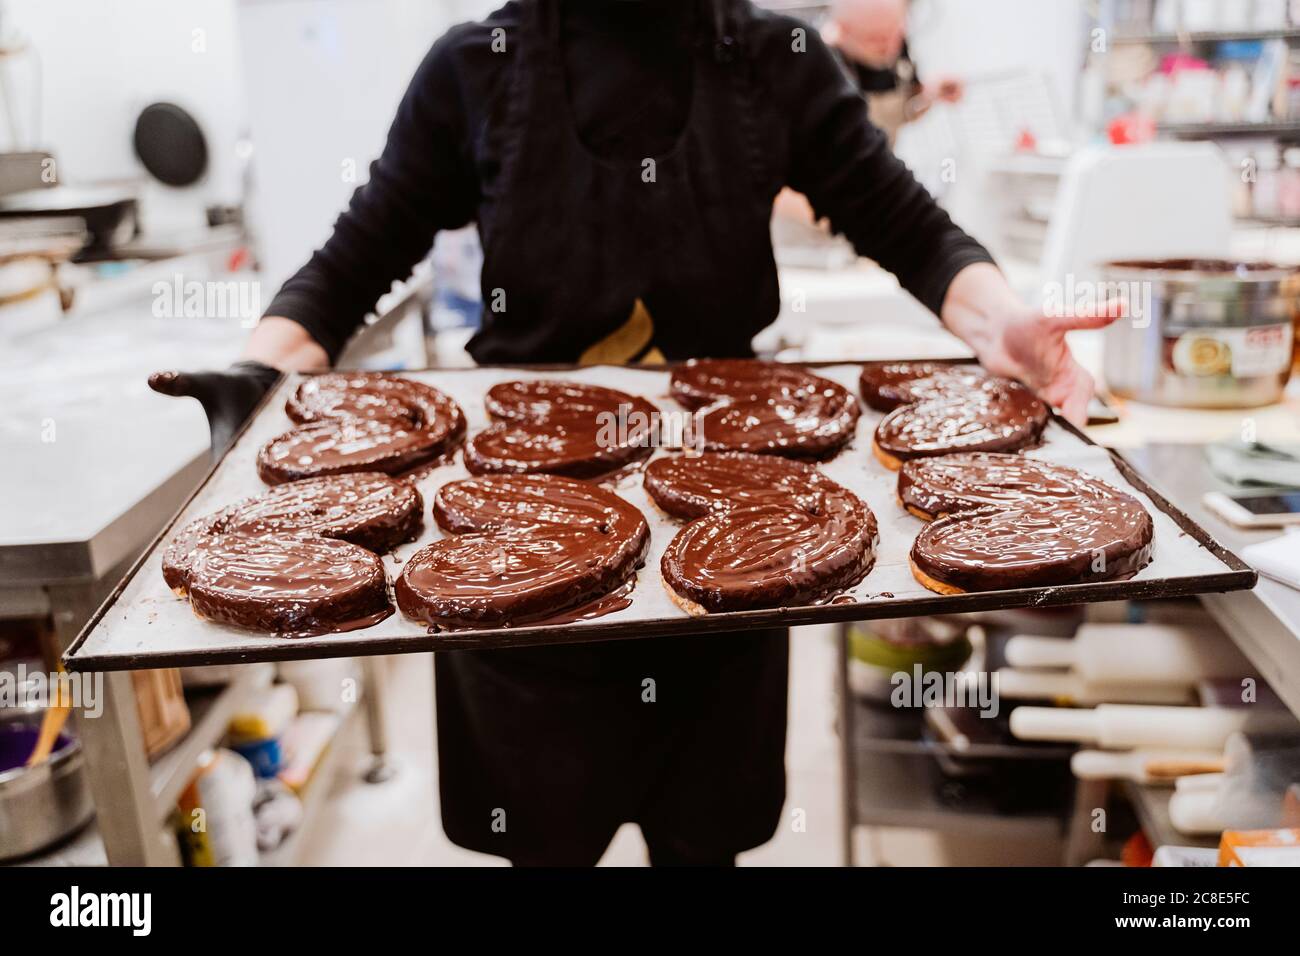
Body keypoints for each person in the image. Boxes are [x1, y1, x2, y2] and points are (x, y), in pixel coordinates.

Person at [152, 0, 1107, 866]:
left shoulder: (778, 57)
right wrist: (263, 369)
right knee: (542, 846)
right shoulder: (473, 65)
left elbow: (906, 225)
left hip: (738, 547)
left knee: (706, 844)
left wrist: (1002, 323)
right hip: (506, 565)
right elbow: (355, 255)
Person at [822, 0, 963, 144]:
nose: (888, 47)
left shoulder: (899, 51)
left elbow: (906, 111)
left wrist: (929, 94)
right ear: (842, 32)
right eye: (875, 40)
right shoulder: (825, 72)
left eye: (894, 34)